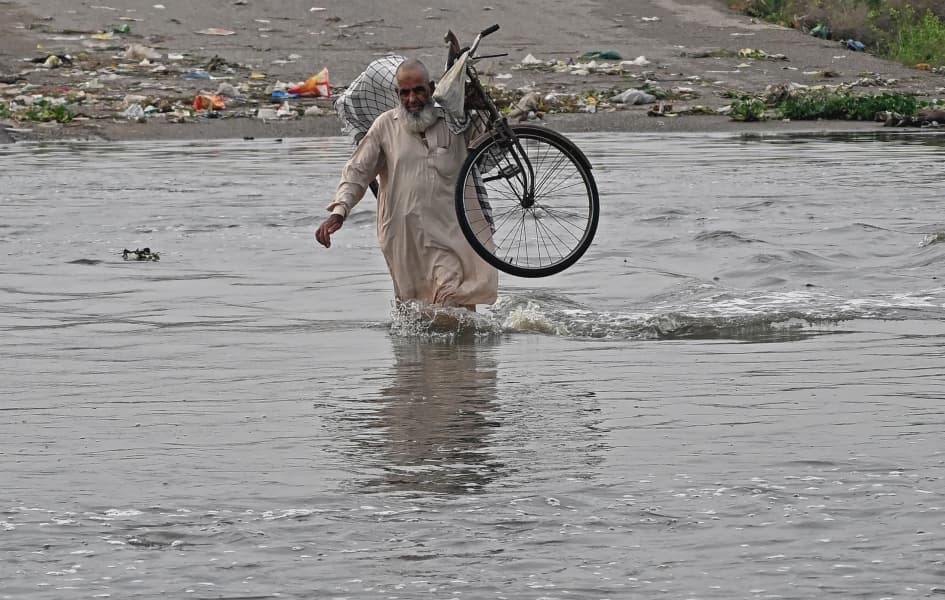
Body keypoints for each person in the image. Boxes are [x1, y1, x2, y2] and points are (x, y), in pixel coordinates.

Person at [314, 59, 498, 309]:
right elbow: (358, 171)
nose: (412, 100)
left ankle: (462, 348)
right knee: (415, 312)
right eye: (405, 93)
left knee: (451, 300)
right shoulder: (385, 126)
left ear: (431, 89)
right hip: (403, 240)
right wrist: (340, 210)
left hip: (449, 235)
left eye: (419, 90)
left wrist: (483, 108)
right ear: (397, 94)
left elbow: (489, 147)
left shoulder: (455, 122)